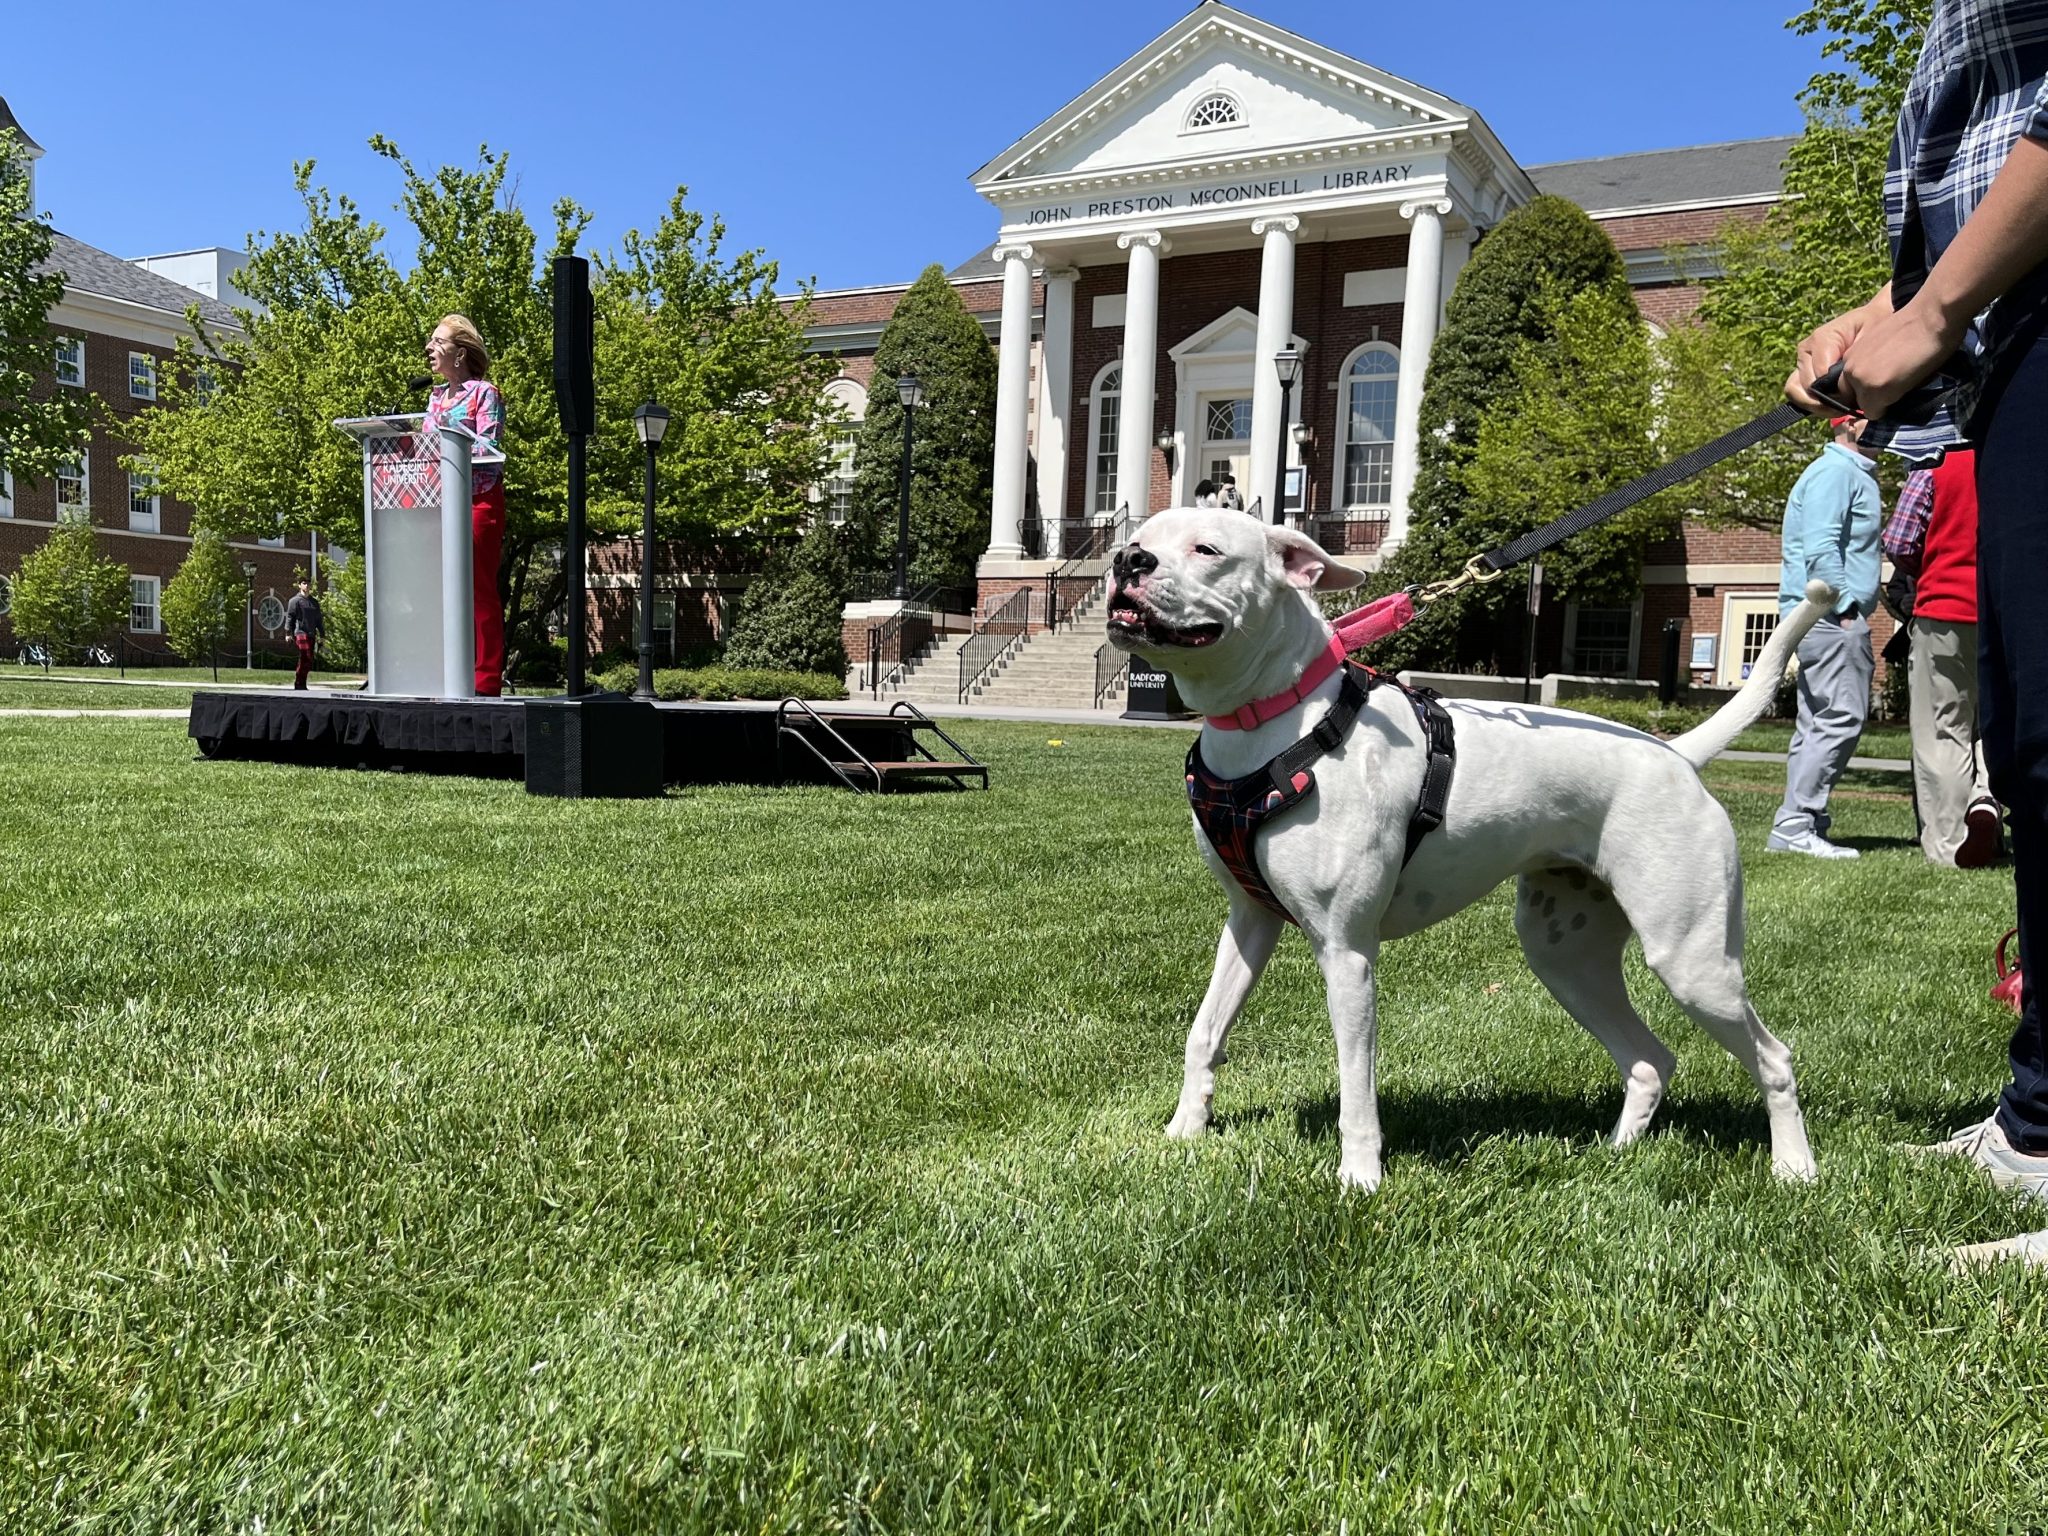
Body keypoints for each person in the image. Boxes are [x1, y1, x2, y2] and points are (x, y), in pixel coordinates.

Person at [1786, 0, 2048, 1267]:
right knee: (2029, 746)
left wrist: (1932, 315)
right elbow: (1999, 141)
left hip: (2011, 322)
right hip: (2009, 331)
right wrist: (1883, 304)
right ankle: (2039, 1123)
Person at [1767, 415, 1882, 860]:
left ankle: (1803, 821)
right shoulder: (1837, 473)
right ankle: (1797, 822)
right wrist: (1847, 609)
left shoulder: (1846, 473)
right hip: (1831, 618)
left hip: (1823, 616)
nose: (1892, 426)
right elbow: (1820, 548)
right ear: (1850, 423)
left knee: (1818, 720)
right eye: (1881, 413)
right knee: (1840, 717)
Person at [1882, 452, 2003, 867]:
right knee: (1998, 722)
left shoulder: (1934, 460)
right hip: (2005, 610)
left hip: (1944, 607)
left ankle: (1951, 847)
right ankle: (1987, 800)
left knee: (1943, 731)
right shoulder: (2019, 453)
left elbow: (1898, 541)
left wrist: (1933, 559)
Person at [423, 314, 507, 696]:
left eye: (438, 342)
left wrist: (448, 455)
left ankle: (485, 680)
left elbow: (488, 448)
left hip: (477, 501)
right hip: (437, 503)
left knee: (478, 591)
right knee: (438, 589)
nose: (429, 348)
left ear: (460, 353)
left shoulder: (485, 393)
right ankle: (442, 673)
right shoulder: (435, 397)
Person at [284, 577, 324, 691]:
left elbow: (318, 620)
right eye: (304, 583)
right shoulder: (295, 601)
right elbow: (290, 617)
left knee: (309, 659)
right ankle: (298, 683)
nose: (306, 586)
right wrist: (288, 633)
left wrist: (322, 636)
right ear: (299, 585)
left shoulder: (314, 603)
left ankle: (302, 683)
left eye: (308, 584)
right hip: (300, 632)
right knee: (305, 655)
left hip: (311, 633)